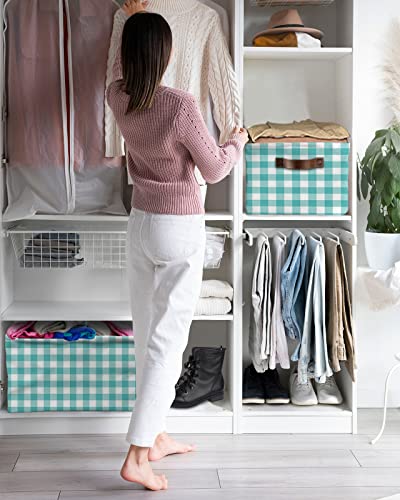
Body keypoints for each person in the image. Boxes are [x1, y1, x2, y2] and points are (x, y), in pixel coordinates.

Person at [107, 0, 248, 491]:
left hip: (140, 220)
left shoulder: (116, 96)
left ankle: (158, 433)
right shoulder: (181, 105)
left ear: (127, 55)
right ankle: (136, 455)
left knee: (149, 332)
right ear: (165, 55)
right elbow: (213, 168)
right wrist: (239, 141)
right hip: (178, 224)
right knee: (169, 342)